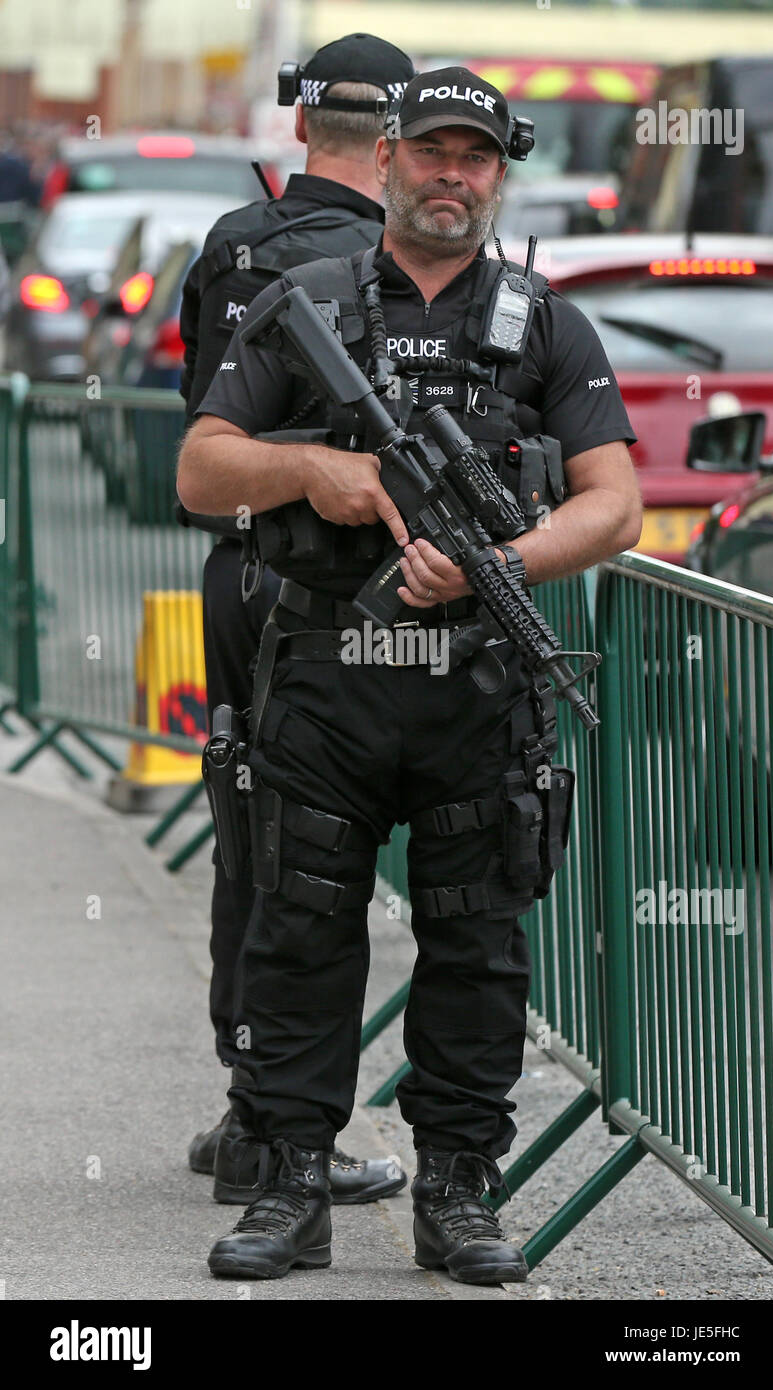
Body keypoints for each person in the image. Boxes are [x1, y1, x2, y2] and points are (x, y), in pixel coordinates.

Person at [177, 66, 642, 1286]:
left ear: (500, 174)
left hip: (475, 685)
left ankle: (455, 1193)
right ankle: (287, 1186)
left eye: (475, 157)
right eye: (430, 152)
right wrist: (311, 476)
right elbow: (199, 470)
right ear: (382, 161)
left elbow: (617, 505)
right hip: (327, 675)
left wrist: (502, 559)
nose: (451, 175)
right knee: (299, 929)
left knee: (478, 945)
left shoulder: (544, 320)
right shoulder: (306, 301)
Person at [180, 33, 414, 1207]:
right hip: (337, 594)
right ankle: (281, 1138)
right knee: (319, 857)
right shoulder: (385, 259)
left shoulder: (233, 244)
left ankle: (247, 1105)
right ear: (392, 140)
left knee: (249, 829)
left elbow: (200, 428)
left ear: (297, 125)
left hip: (235, 573)